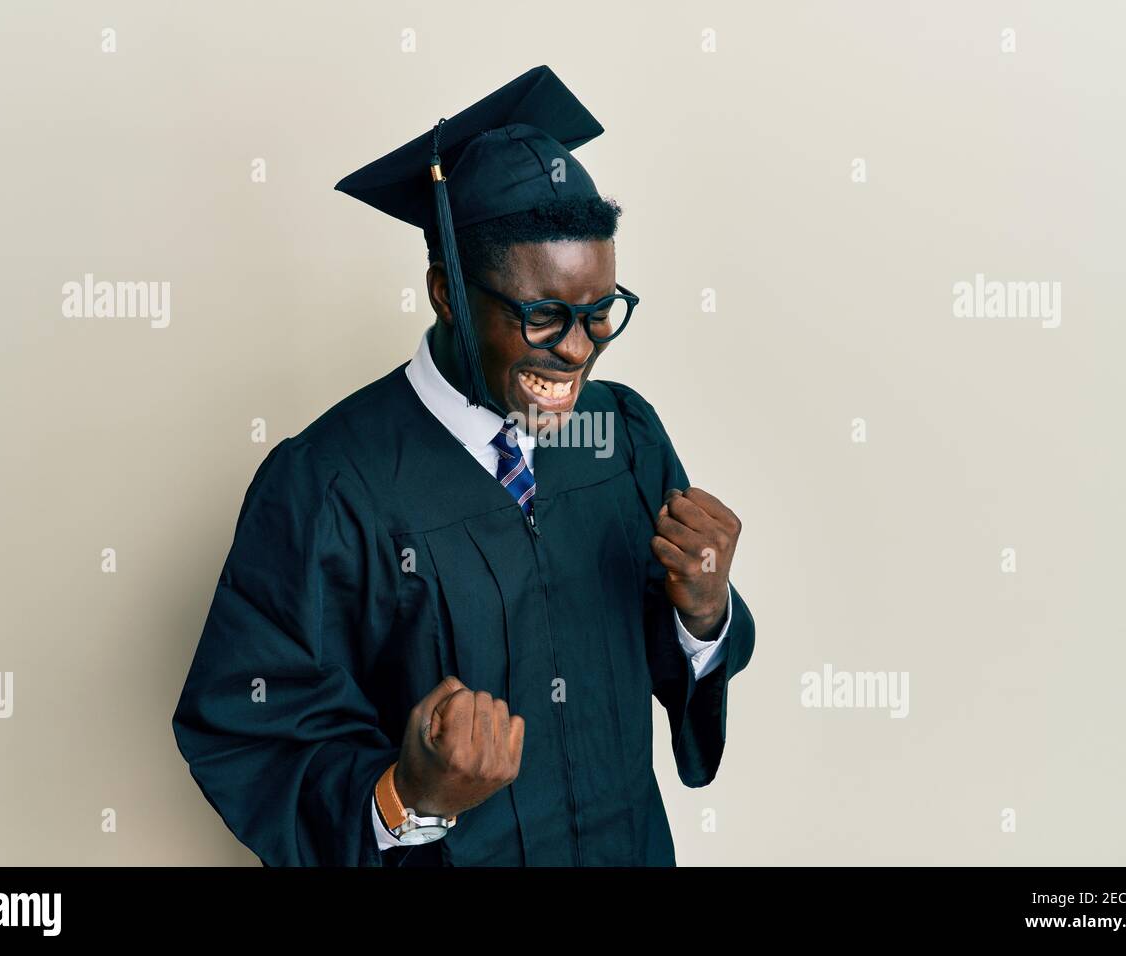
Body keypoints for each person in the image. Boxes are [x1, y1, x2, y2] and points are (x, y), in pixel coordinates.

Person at [171, 65, 755, 866]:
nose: (579, 349)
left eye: (599, 314)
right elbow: (246, 723)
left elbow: (671, 656)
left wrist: (704, 613)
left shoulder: (622, 437)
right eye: (546, 315)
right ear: (447, 291)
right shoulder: (330, 484)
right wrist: (406, 799)